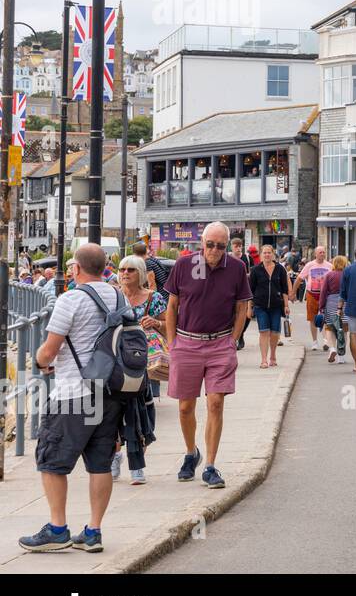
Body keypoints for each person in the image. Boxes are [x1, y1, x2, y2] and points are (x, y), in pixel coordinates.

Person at [17, 244, 147, 554]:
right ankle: (93, 531)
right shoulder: (118, 296)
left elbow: (48, 352)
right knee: (100, 464)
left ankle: (58, 528)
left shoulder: (70, 299)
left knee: (51, 460)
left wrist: (39, 361)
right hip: (110, 393)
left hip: (74, 394)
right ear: (105, 268)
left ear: (76, 269)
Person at [164, 221, 252, 491]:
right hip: (187, 343)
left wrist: (233, 341)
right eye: (210, 244)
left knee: (215, 403)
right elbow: (172, 306)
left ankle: (210, 466)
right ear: (201, 243)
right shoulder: (184, 265)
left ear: (227, 246)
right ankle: (191, 453)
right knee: (185, 407)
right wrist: (172, 344)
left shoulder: (236, 268)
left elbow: (241, 308)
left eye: (220, 246)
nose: (214, 250)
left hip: (219, 345)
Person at [111, 254, 166, 484]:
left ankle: (137, 462)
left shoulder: (154, 299)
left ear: (141, 273)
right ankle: (114, 454)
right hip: (115, 360)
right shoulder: (112, 297)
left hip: (142, 363)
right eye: (122, 269)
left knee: (139, 410)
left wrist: (156, 323)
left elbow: (169, 328)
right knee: (112, 411)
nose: (125, 274)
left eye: (131, 270)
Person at [249, 245, 290, 370]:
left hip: (276, 305)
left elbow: (284, 289)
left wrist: (286, 305)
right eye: (264, 253)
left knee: (275, 333)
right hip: (260, 305)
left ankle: (273, 356)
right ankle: (264, 360)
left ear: (273, 254)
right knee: (264, 332)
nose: (267, 255)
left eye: (269, 253)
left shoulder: (280, 269)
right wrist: (249, 308)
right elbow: (250, 290)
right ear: (261, 254)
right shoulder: (256, 270)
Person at [292, 247, 333, 351]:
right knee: (312, 318)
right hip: (312, 294)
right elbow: (299, 278)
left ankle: (325, 341)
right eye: (320, 252)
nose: (322, 254)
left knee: (325, 318)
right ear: (315, 254)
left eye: (324, 252)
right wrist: (293, 292)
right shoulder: (310, 265)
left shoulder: (329, 266)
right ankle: (314, 341)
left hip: (325, 295)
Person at [319, 255, 347, 363]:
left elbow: (323, 292)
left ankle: (332, 348)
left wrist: (321, 306)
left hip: (330, 302)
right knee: (343, 329)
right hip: (345, 302)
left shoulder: (329, 275)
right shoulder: (346, 275)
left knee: (330, 328)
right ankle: (341, 356)